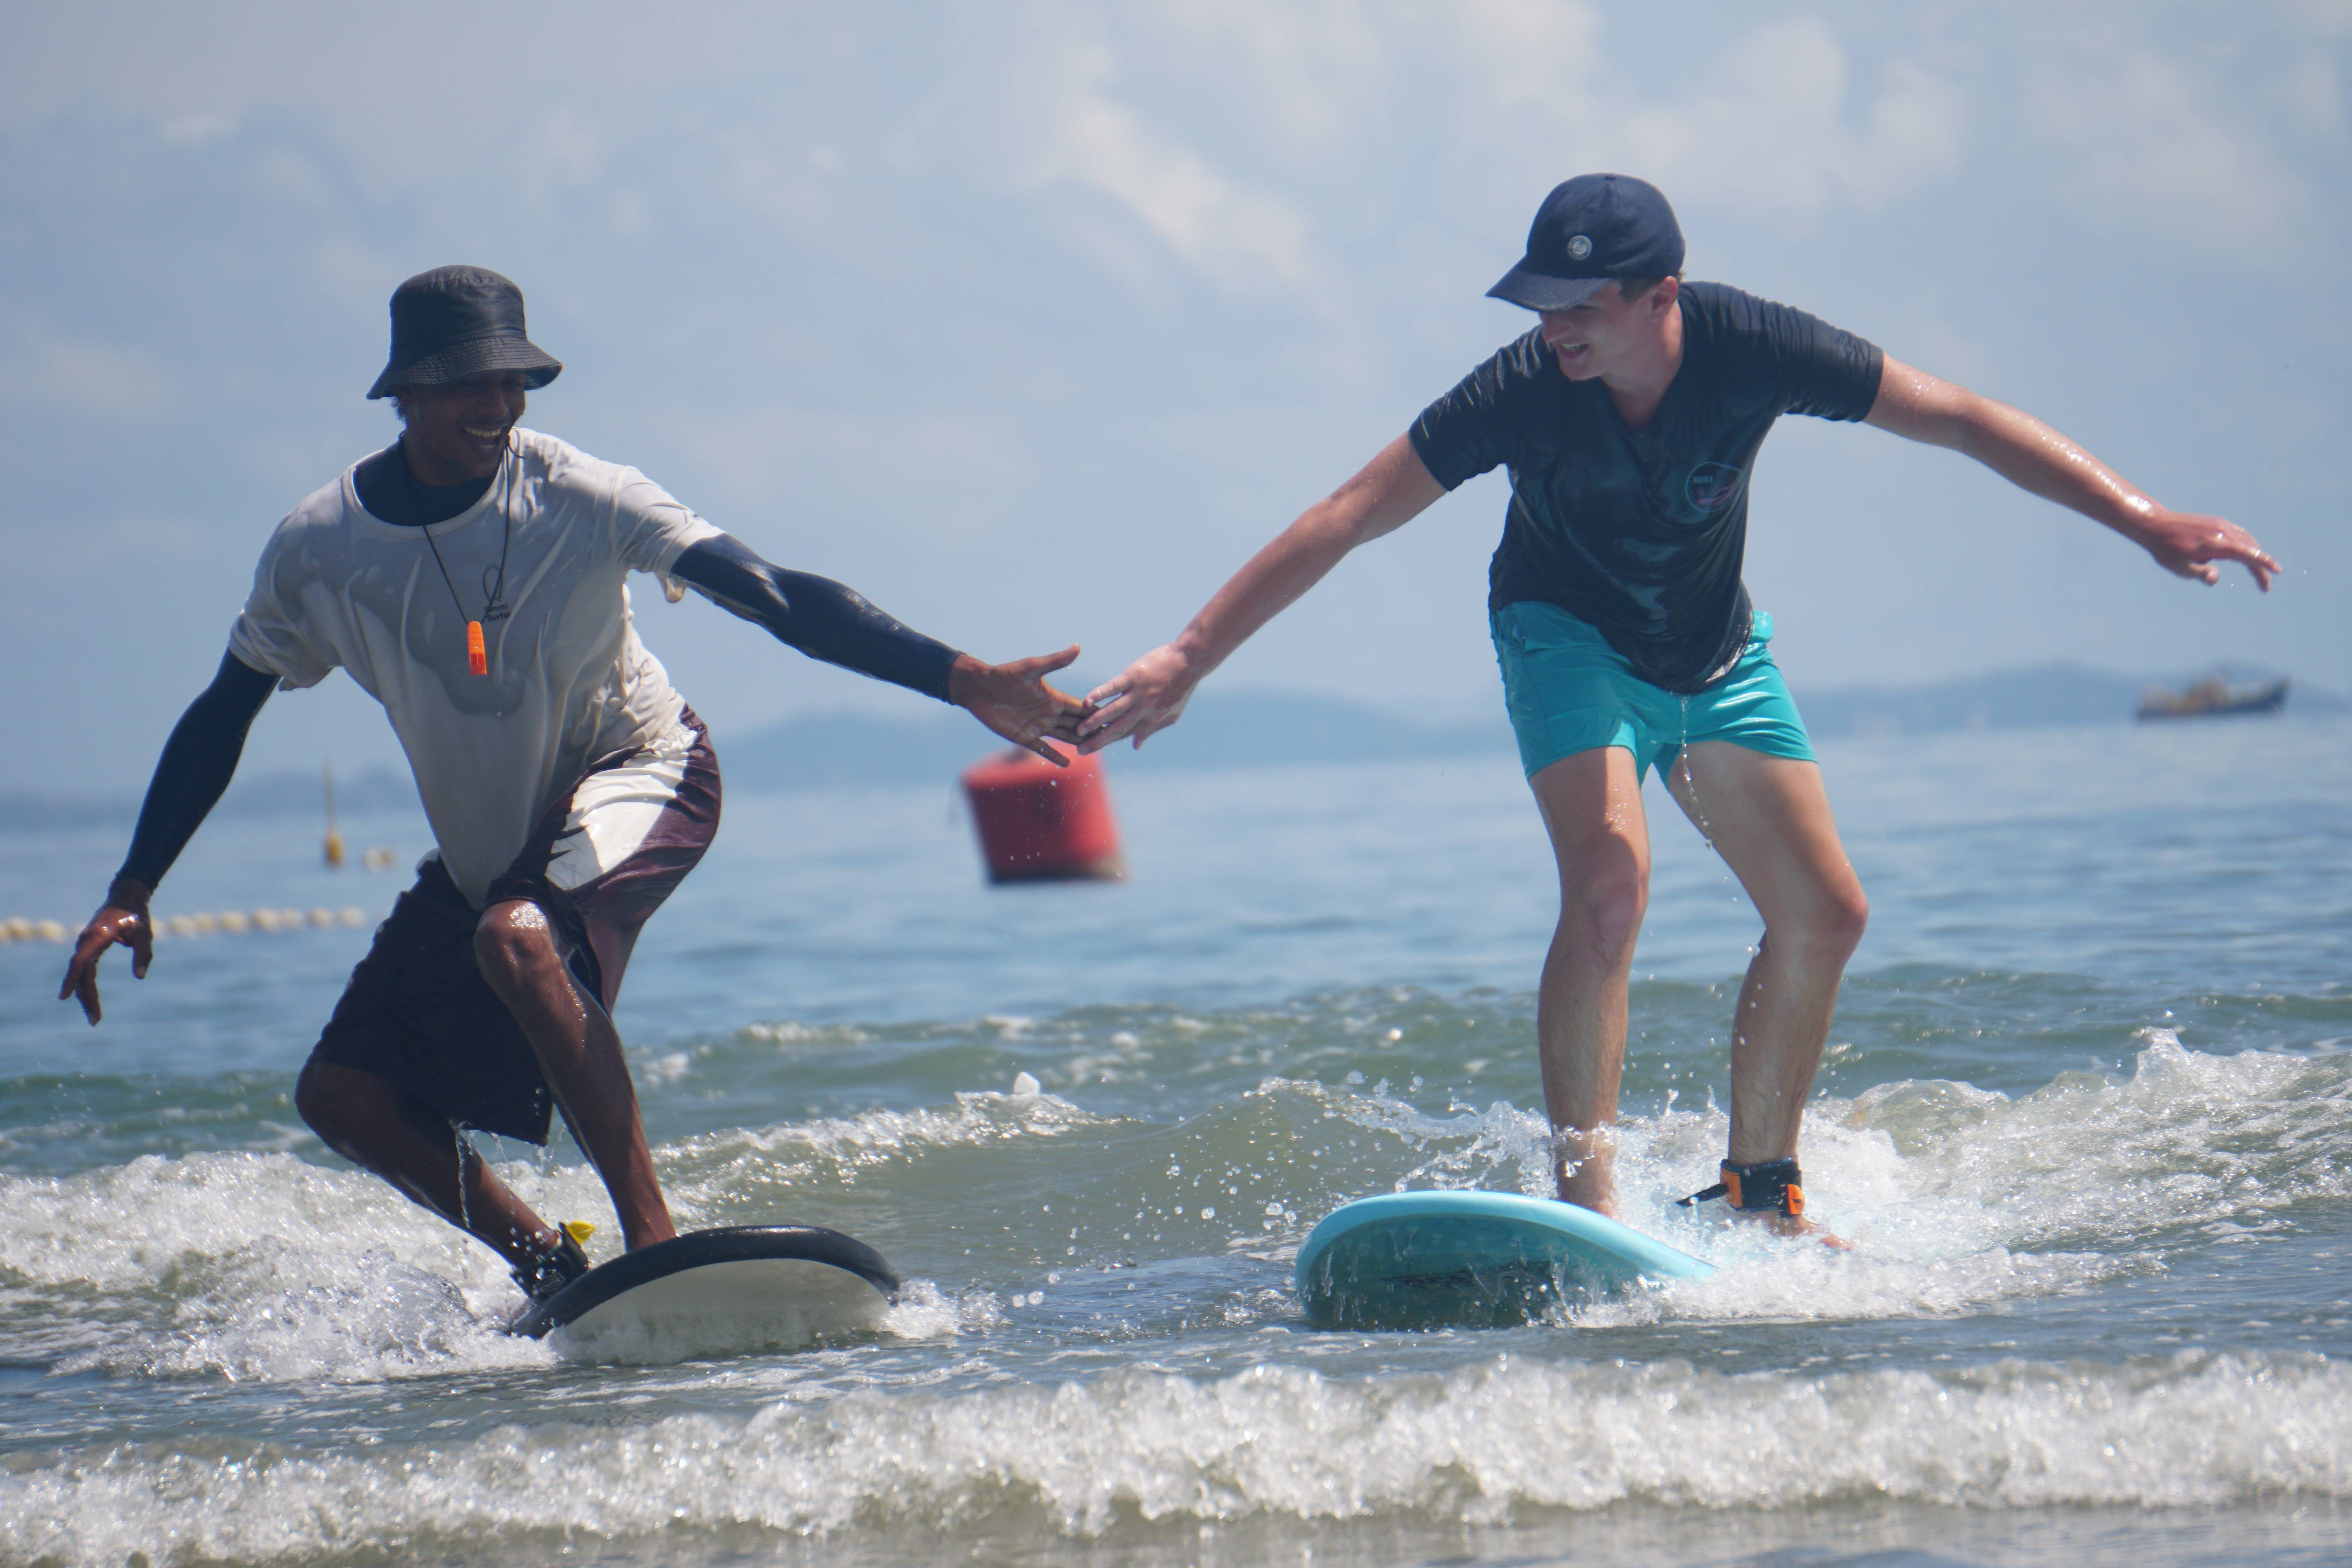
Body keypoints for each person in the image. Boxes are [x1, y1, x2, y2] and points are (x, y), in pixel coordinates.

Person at [1077, 175, 2277, 1231]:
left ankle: (1761, 1189)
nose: (1555, 329)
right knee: (1612, 884)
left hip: (1712, 654)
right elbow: (1351, 510)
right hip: (1565, 639)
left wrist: (2141, 519)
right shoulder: (1523, 391)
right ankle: (1585, 1203)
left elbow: (1958, 417)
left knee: (1826, 913)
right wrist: (1192, 655)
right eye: (1541, 305)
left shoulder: (1756, 346)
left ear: (1663, 294)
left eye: (1581, 307)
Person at [61, 266, 1090, 1301]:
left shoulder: (583, 495)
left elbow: (777, 596)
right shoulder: (320, 549)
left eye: (514, 382)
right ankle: (555, 1272)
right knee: (346, 1095)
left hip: (646, 767)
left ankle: (655, 1251)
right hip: (491, 850)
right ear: (405, 391)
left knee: (517, 936)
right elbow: (225, 711)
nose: (499, 405)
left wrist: (959, 678)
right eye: (470, 384)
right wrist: (133, 887)